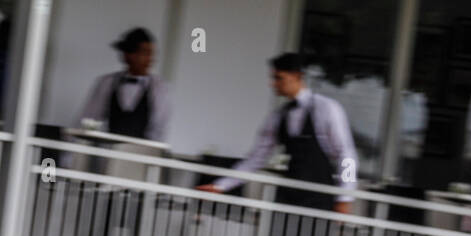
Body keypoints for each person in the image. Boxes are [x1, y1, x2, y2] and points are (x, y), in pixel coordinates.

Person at [199, 53, 356, 214]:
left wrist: (345, 196)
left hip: (320, 199)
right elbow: (256, 159)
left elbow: (346, 153)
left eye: (278, 78)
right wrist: (221, 185)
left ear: (296, 76)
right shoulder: (278, 116)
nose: (273, 84)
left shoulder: (327, 108)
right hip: (289, 196)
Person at [78, 28, 172, 142]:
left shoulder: (159, 87)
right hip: (109, 151)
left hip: (142, 153)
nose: (150, 59)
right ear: (129, 55)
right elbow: (89, 118)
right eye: (145, 53)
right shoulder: (107, 82)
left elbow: (159, 129)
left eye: (150, 54)